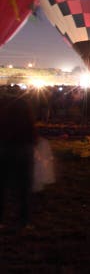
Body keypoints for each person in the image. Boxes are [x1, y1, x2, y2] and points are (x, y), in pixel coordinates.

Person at [0, 90, 37, 232]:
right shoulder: (25, 112)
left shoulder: (3, 111)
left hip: (4, 148)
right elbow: (32, 133)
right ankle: (24, 220)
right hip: (23, 149)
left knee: (1, 186)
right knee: (24, 188)